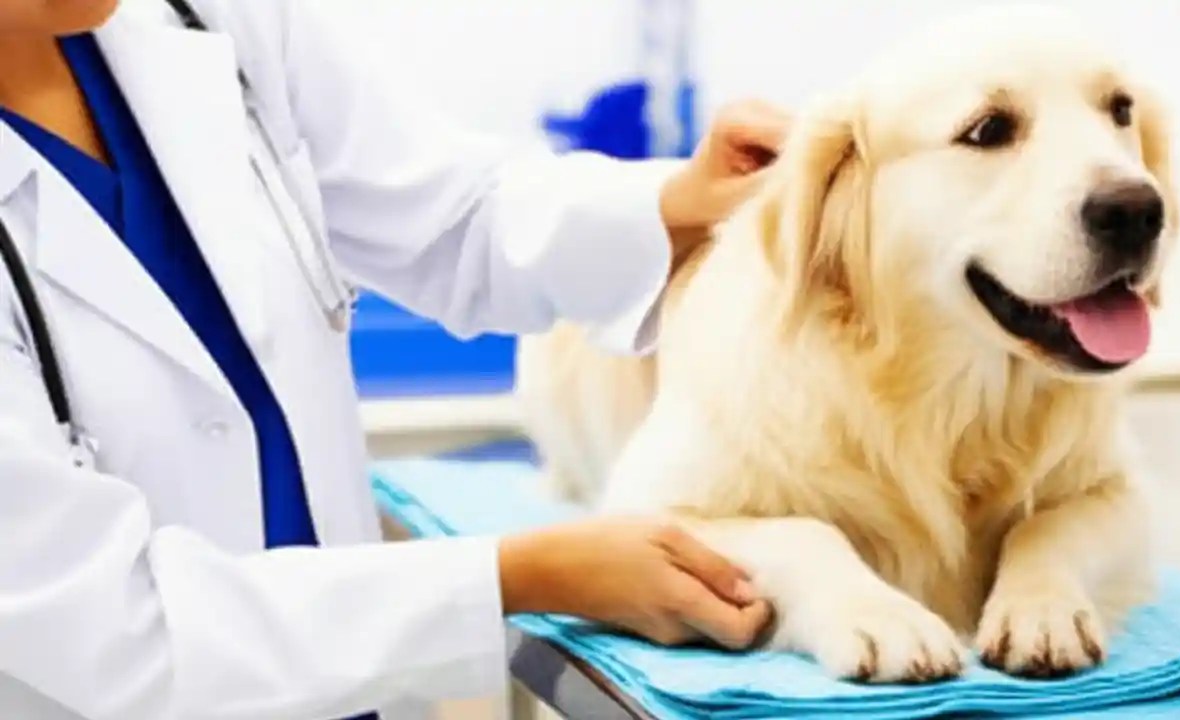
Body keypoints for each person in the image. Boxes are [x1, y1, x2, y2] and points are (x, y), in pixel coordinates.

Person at [0, 1, 790, 719]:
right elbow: (121, 641)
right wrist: (523, 575)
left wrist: (677, 204)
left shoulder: (208, 21)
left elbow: (452, 216)